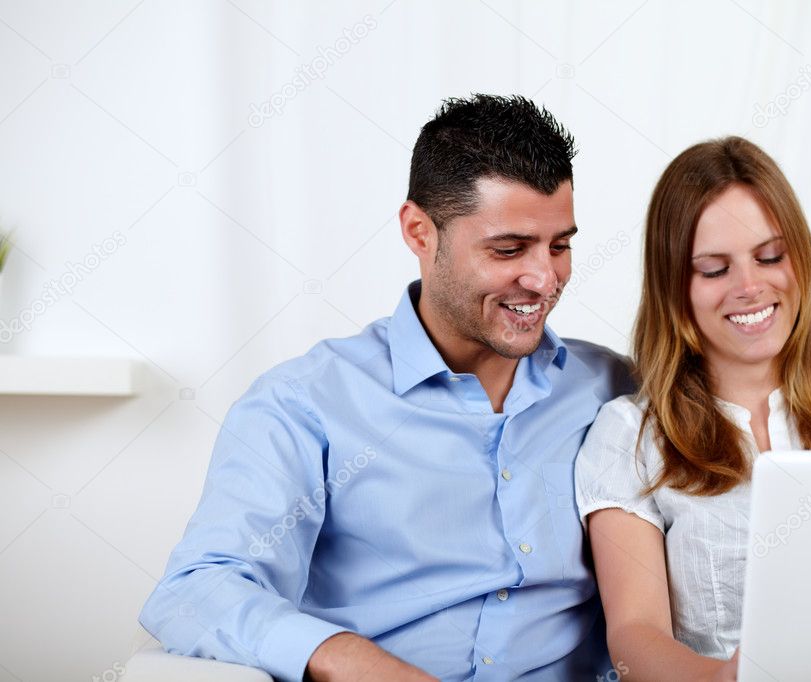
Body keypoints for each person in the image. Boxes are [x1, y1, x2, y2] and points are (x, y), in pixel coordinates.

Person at [139, 94, 632, 682]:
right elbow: (197, 591)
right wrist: (353, 659)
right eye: (508, 249)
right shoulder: (304, 403)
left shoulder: (615, 390)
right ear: (419, 232)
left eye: (560, 246)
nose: (544, 279)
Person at [574, 136, 811, 682]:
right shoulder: (630, 438)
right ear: (674, 290)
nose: (750, 287)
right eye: (714, 270)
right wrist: (726, 678)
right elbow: (635, 636)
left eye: (770, 257)